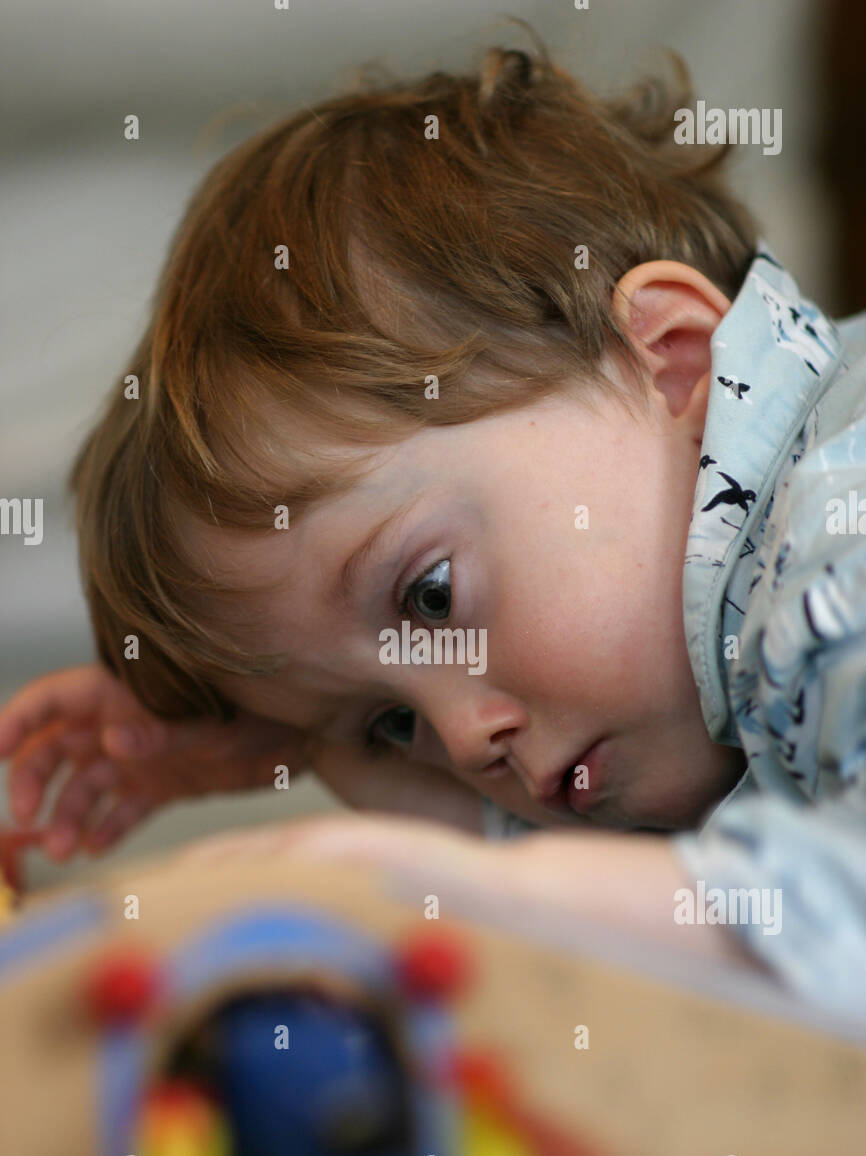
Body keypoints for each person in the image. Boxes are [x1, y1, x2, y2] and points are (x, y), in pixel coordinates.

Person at [2, 32, 865, 1013]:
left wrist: (470, 896)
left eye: (431, 594)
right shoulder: (677, 675)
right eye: (390, 722)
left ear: (672, 361)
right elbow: (669, 868)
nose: (462, 743)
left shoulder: (834, 536)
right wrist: (286, 745)